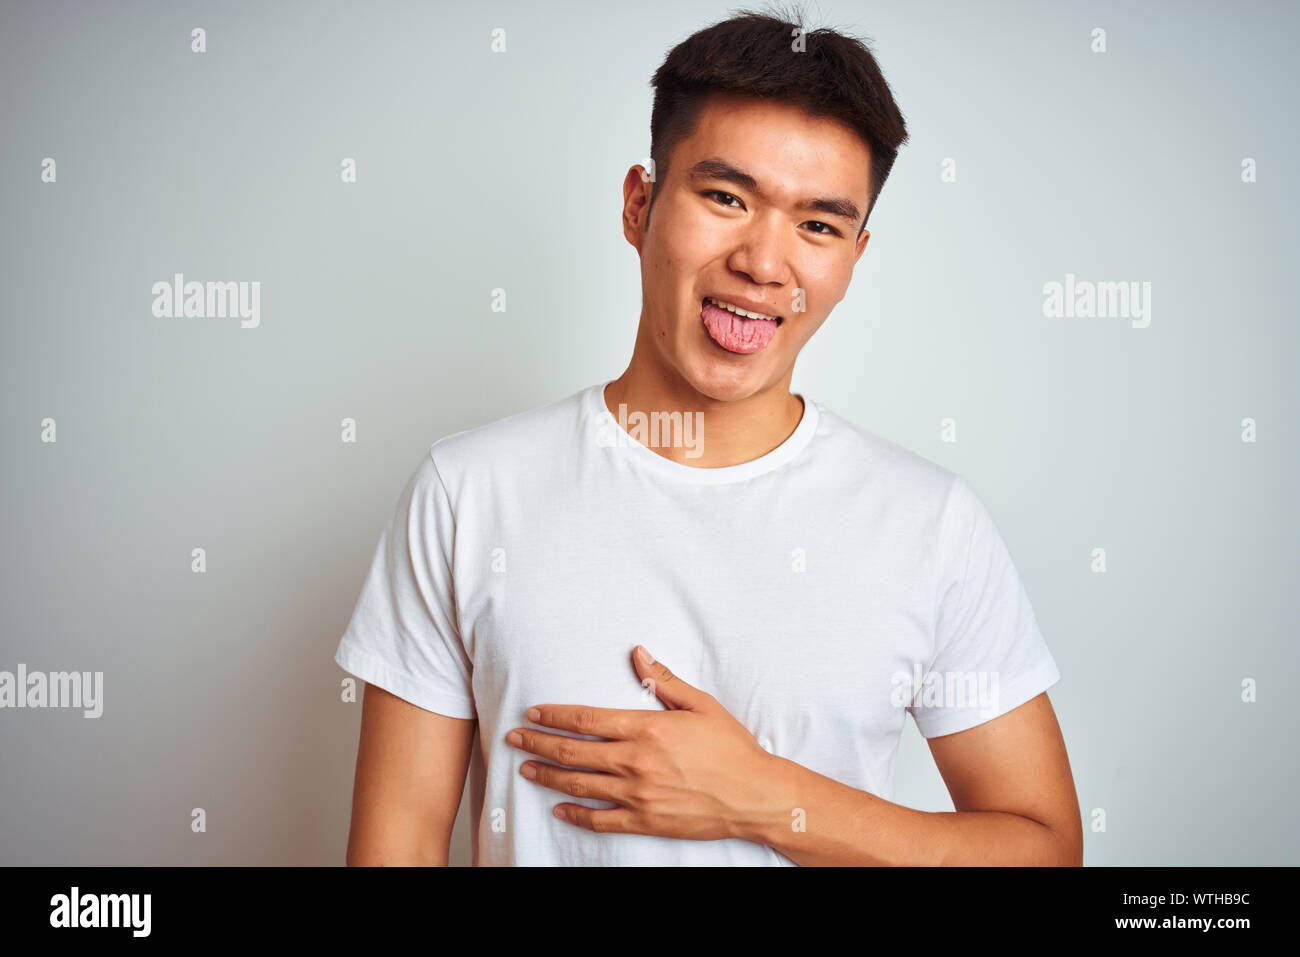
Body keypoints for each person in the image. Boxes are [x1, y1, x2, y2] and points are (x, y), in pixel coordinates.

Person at [335, 7, 1082, 866]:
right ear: (638, 204)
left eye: (819, 225)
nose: (765, 263)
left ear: (854, 257)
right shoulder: (468, 493)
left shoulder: (930, 523)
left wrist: (764, 798)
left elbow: (1045, 851)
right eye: (726, 197)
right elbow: (397, 849)